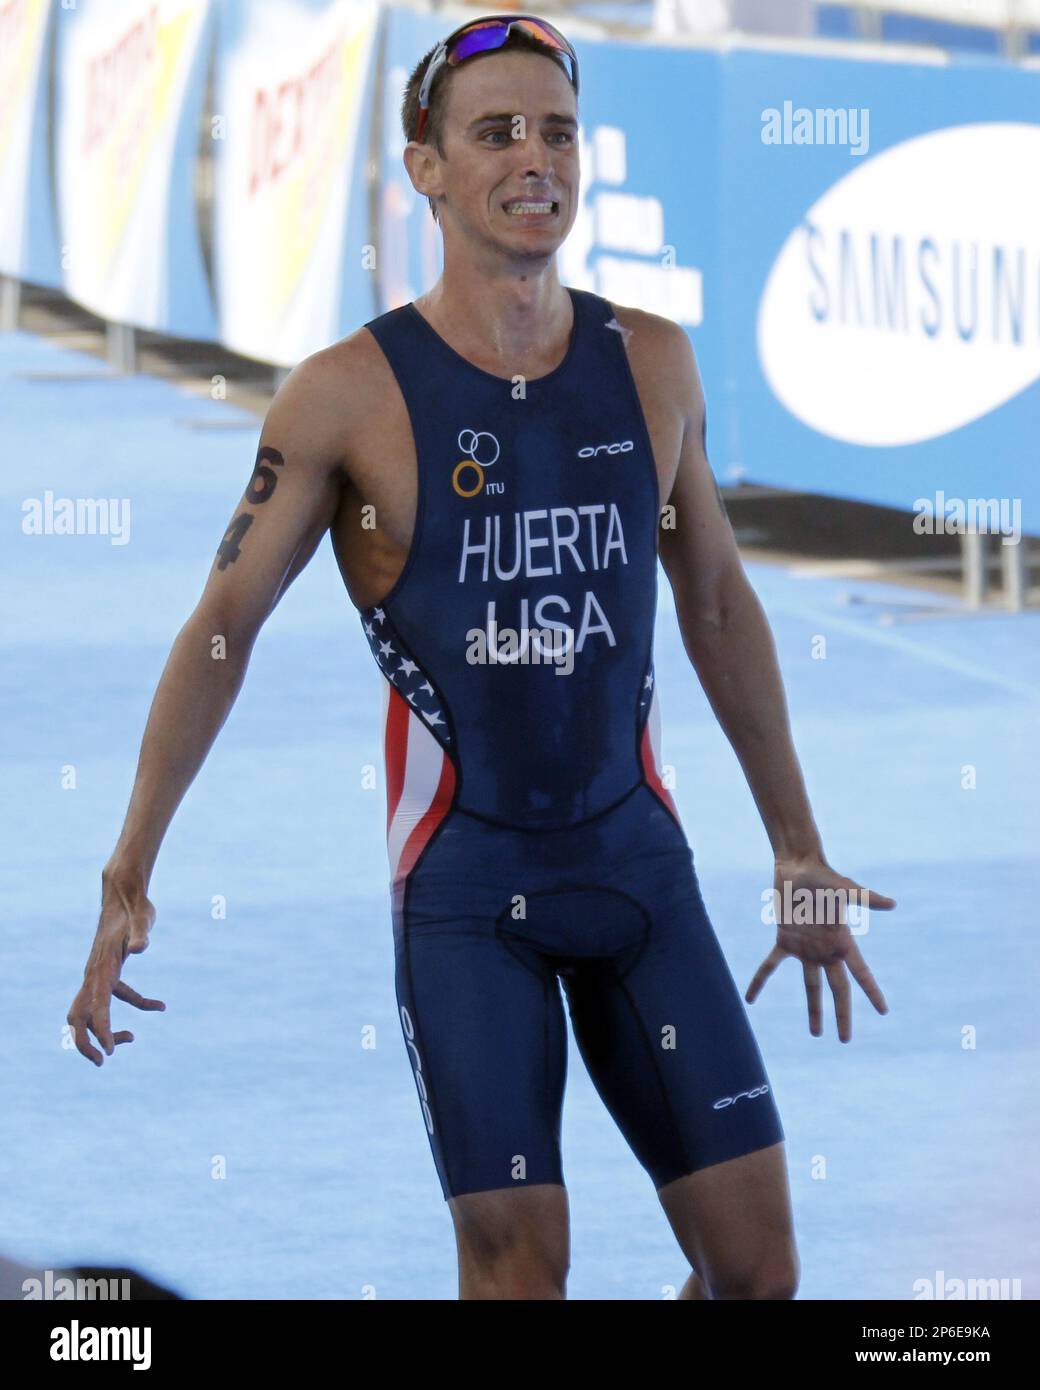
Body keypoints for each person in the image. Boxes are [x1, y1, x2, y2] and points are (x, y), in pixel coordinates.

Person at [68, 13, 894, 1300]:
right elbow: (219, 630)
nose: (534, 160)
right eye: (495, 133)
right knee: (521, 1274)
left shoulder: (652, 363)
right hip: (466, 896)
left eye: (556, 132)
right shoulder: (345, 396)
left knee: (757, 1271)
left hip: (637, 873)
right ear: (424, 169)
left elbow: (718, 606)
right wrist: (130, 865)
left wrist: (795, 846)